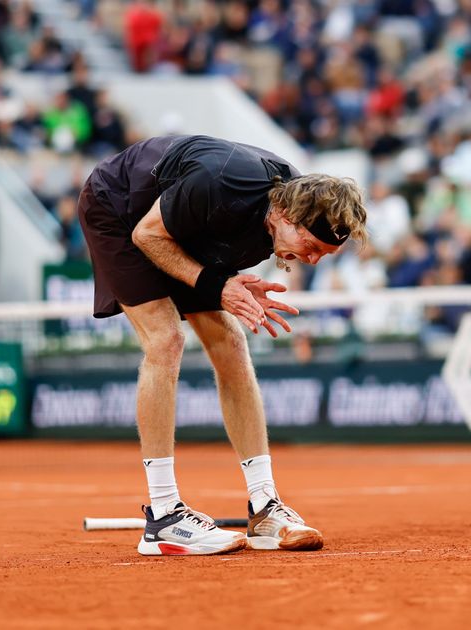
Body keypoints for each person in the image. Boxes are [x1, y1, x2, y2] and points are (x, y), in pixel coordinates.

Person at [78, 134, 366, 556]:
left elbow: (208, 250)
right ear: (286, 215)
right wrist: (217, 286)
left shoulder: (288, 207)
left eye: (324, 254)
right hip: (121, 210)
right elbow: (148, 235)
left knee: (231, 343)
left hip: (184, 226)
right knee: (166, 340)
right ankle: (163, 517)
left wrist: (225, 284)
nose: (312, 259)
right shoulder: (223, 183)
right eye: (311, 246)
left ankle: (265, 506)